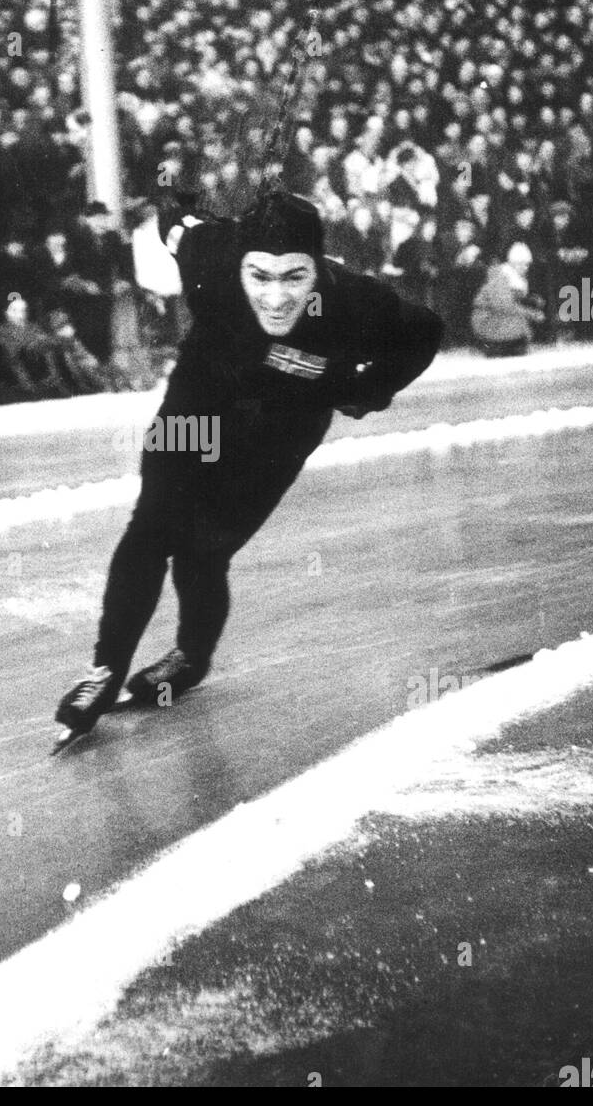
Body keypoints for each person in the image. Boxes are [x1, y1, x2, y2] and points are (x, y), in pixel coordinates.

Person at [52, 186, 443, 749]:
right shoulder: (209, 255)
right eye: (260, 276)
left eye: (294, 278)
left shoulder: (354, 302)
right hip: (199, 403)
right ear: (239, 265)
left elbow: (425, 331)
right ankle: (104, 672)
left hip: (280, 429)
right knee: (153, 523)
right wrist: (174, 194)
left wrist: (363, 389)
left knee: (204, 550)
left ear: (319, 270)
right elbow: (175, 222)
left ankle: (191, 656)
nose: (277, 297)